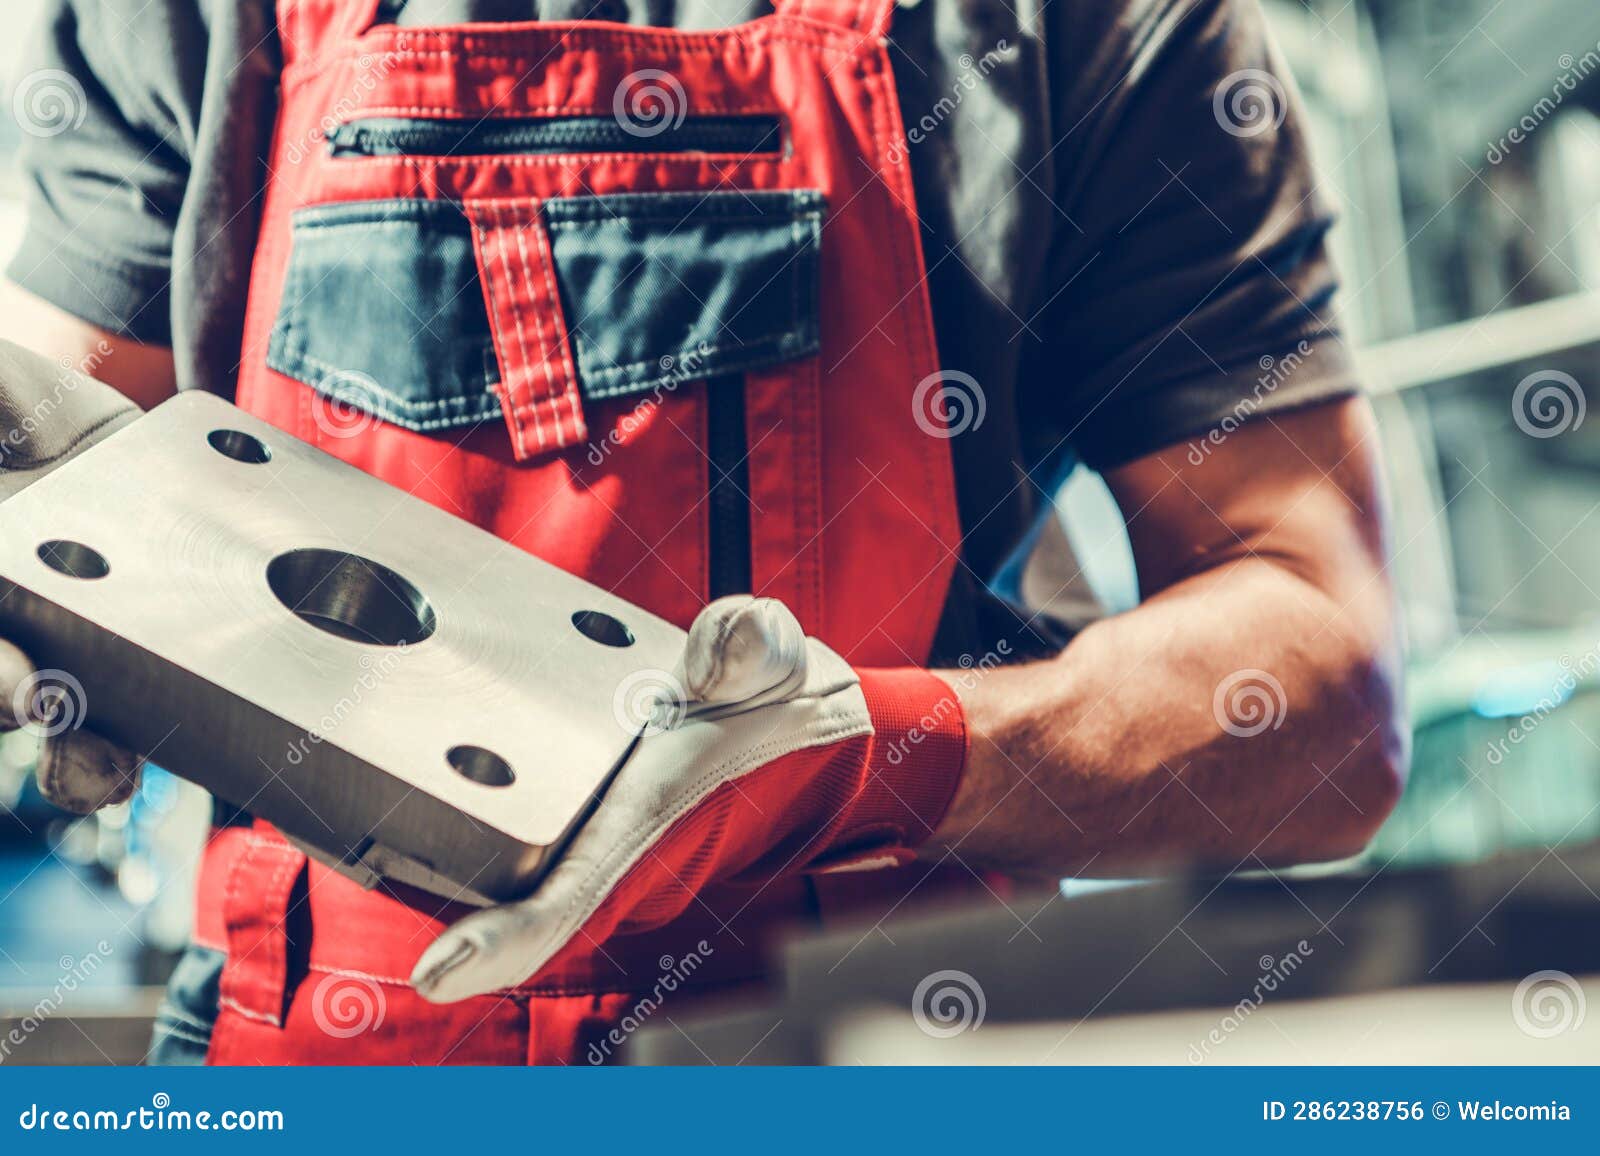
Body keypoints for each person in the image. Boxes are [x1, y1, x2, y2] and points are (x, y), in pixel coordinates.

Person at [0, 0, 1407, 1064]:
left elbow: (1330, 687)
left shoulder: (1078, 28)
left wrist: (861, 757)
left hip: (875, 1040)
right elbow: (63, 478)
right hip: (338, 1048)